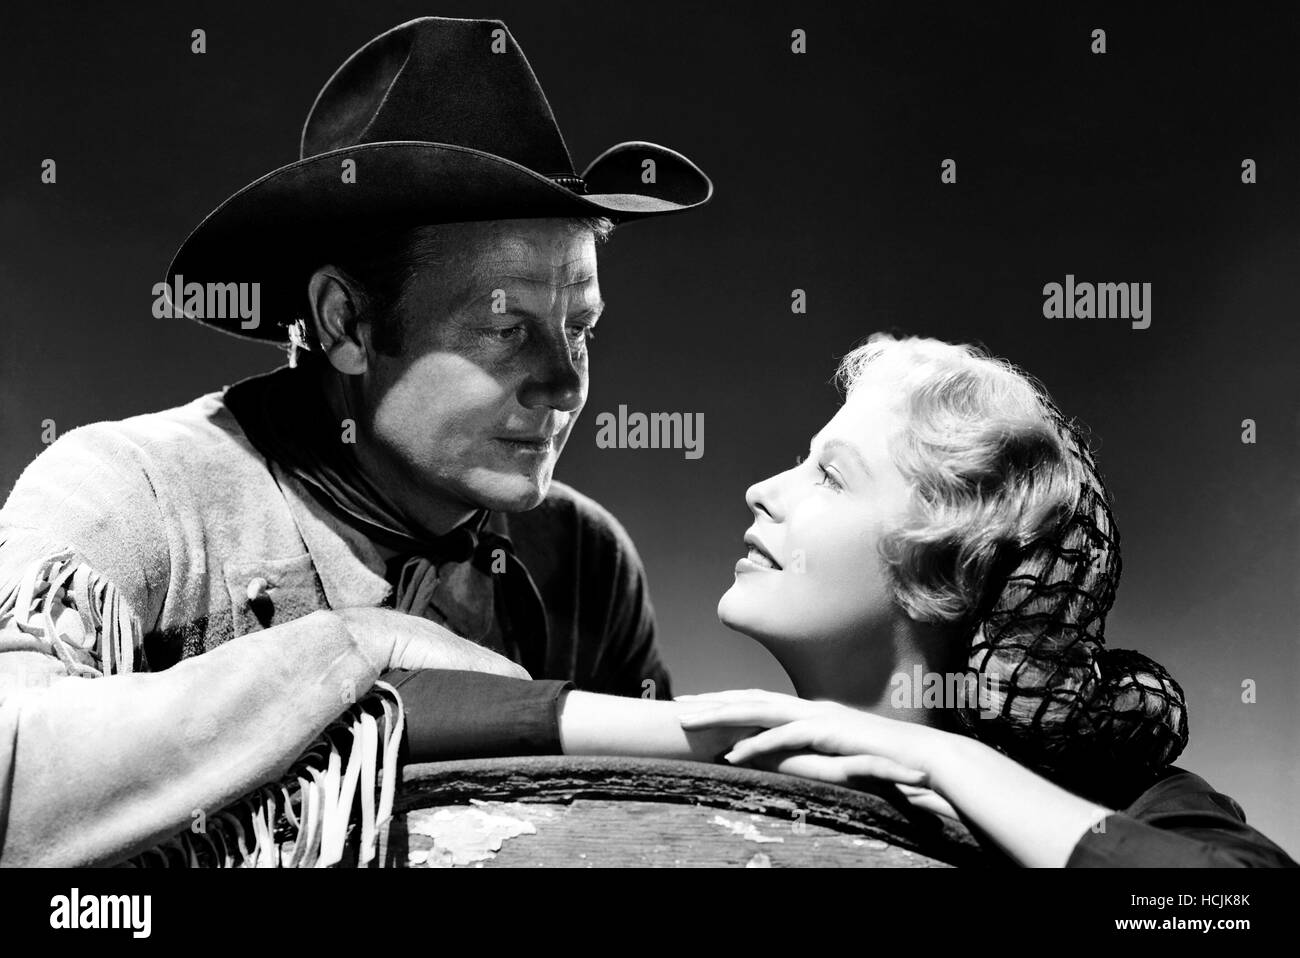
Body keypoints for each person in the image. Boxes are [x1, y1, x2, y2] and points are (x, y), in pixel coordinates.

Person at [0, 16, 712, 866]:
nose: (566, 383)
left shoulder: (586, 561)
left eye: (581, 329)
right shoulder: (131, 496)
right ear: (348, 323)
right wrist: (357, 650)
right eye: (507, 330)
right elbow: (14, 783)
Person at [448, 332, 1297, 867]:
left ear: (952, 570)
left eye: (830, 474)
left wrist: (947, 763)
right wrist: (706, 730)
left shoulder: (1145, 806)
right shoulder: (730, 761)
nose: (761, 490)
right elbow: (387, 719)